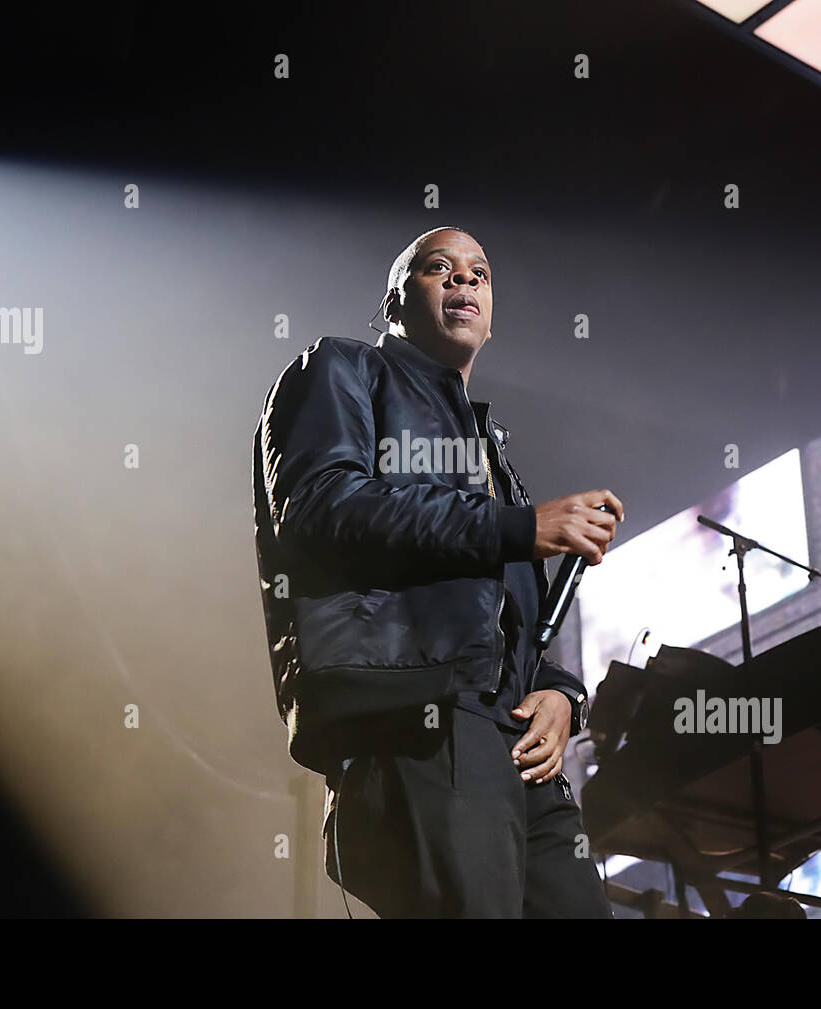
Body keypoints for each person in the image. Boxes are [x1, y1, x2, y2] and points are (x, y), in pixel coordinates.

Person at [252, 225, 624, 917]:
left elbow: (499, 613)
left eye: (479, 273)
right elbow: (321, 509)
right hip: (420, 718)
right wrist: (517, 527)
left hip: (509, 741)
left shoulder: (489, 450)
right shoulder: (339, 368)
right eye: (438, 268)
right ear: (394, 301)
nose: (463, 281)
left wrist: (557, 692)